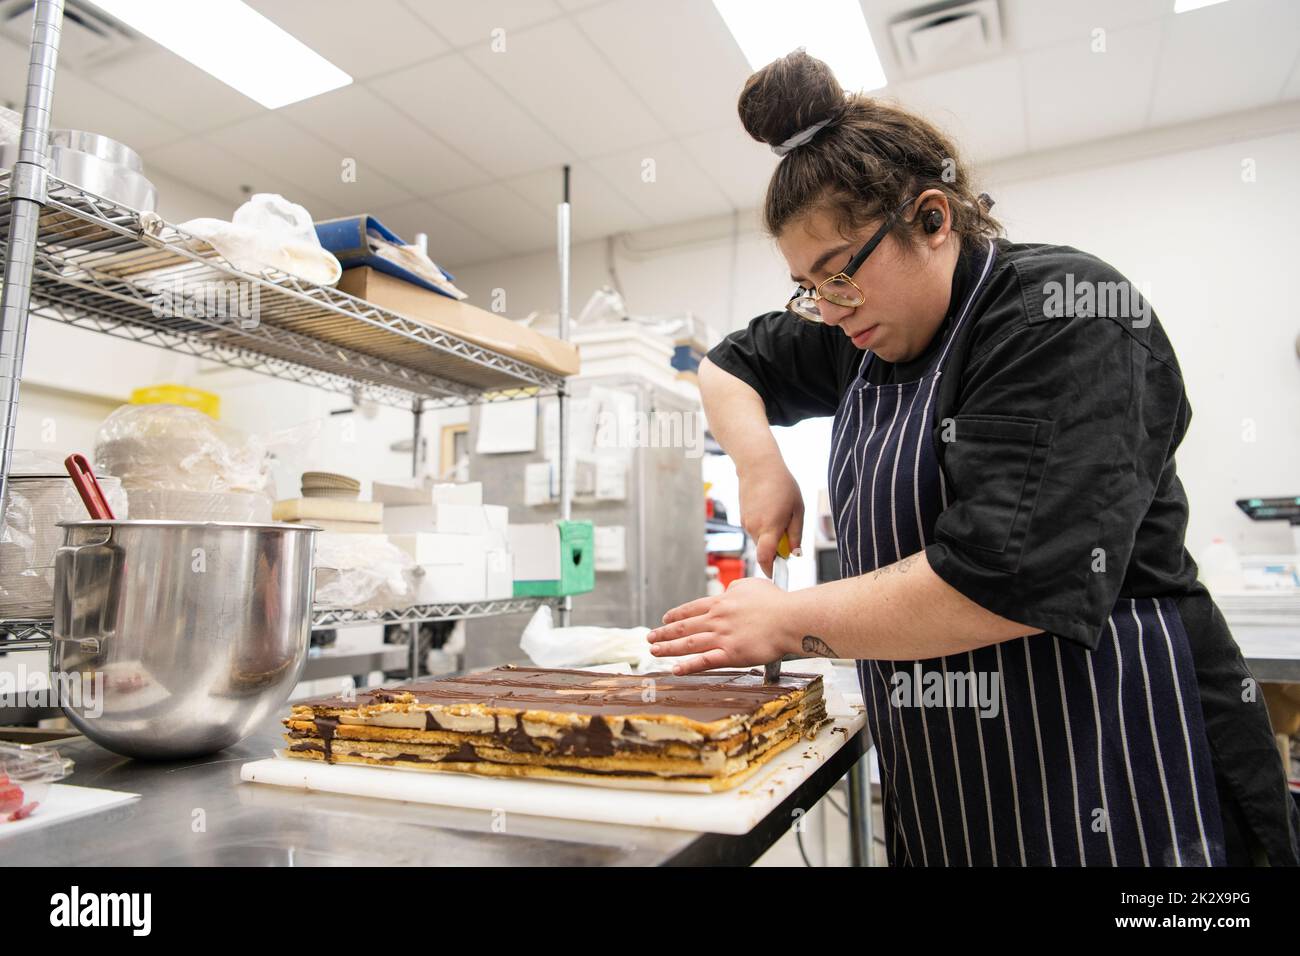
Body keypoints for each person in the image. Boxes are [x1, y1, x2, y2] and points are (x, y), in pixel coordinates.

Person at [646, 50, 1298, 867]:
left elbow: (1004, 576)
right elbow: (727, 366)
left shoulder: (1065, 316)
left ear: (931, 218)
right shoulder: (862, 336)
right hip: (952, 777)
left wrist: (789, 619)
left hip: (1118, 753)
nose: (828, 309)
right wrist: (758, 465)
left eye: (840, 274)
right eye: (807, 287)